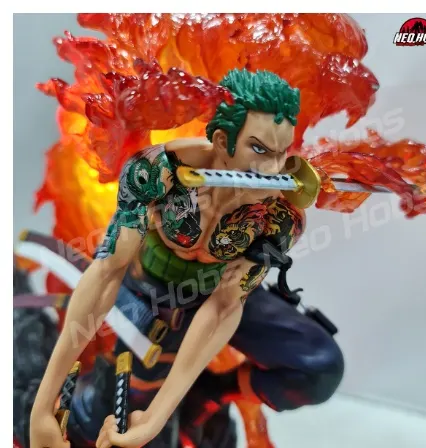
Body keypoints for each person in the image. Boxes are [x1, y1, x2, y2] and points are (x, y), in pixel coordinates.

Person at [29, 68, 344, 448]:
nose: (273, 170)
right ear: (223, 141)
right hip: (148, 292)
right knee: (113, 416)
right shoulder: (157, 172)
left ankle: (208, 395)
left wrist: (158, 415)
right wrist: (42, 408)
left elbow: (226, 306)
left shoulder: (279, 215)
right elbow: (108, 269)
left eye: (282, 153)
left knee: (318, 366)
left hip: (220, 293)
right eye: (260, 150)